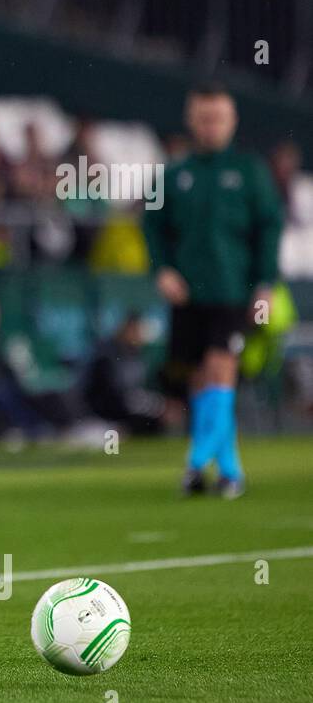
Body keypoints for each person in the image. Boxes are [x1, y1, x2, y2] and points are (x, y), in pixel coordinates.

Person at [143, 83, 284, 498]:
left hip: (232, 291)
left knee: (223, 367)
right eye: (203, 118)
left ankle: (194, 461)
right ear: (191, 120)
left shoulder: (249, 172)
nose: (210, 127)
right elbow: (153, 226)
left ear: (232, 121)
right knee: (201, 378)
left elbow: (270, 228)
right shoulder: (174, 174)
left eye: (218, 118)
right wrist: (162, 270)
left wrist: (266, 282)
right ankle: (229, 472)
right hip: (188, 295)